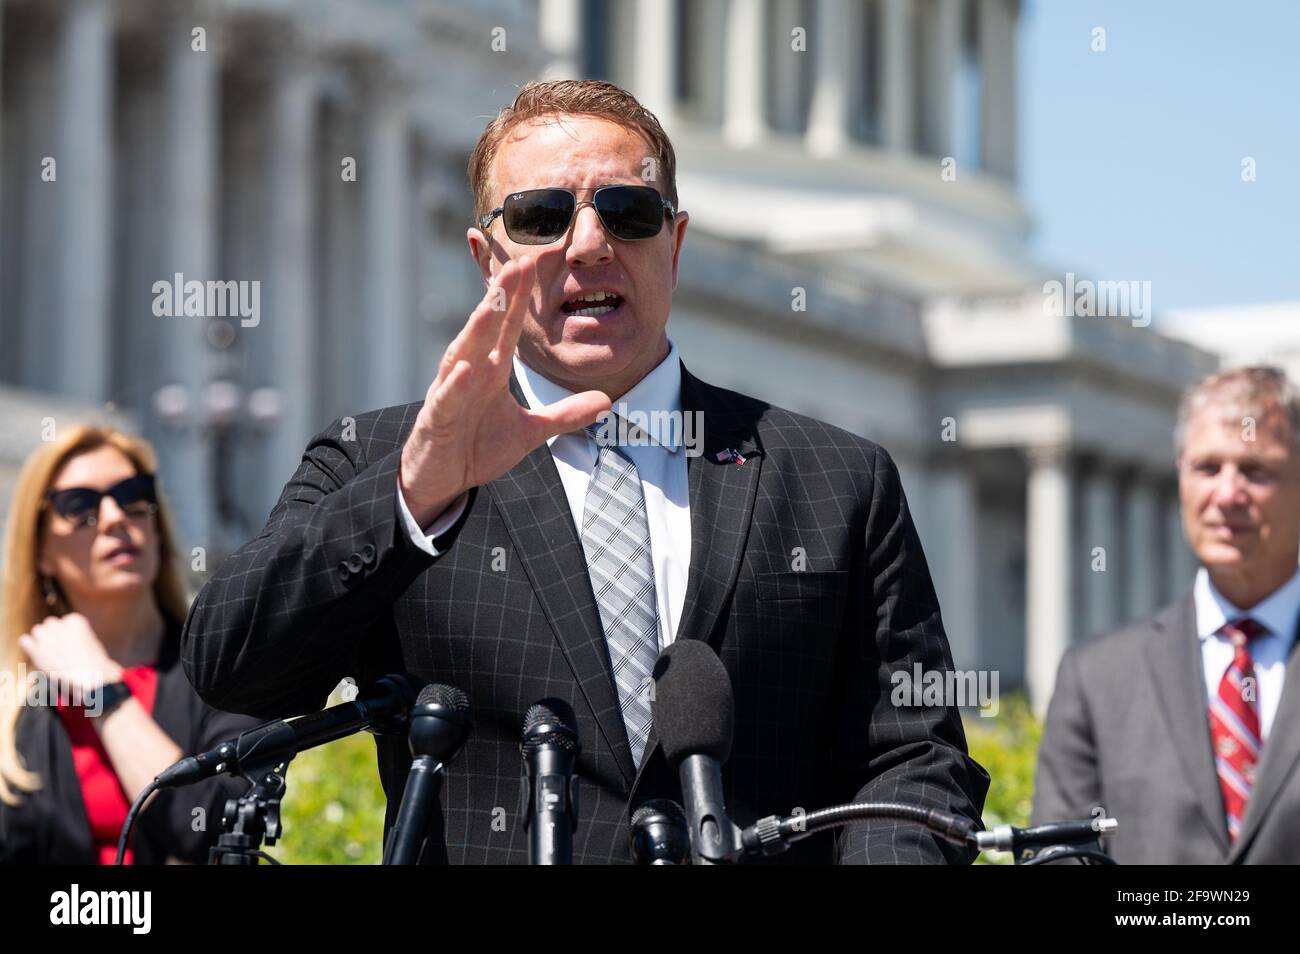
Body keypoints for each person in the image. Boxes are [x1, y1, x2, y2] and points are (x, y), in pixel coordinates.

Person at [182, 78, 988, 864]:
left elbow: (914, 761)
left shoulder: (835, 478)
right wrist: (414, 493)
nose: (590, 244)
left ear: (673, 244)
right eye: (542, 217)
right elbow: (233, 670)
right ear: (485, 255)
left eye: (628, 213)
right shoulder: (384, 459)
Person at [1033, 366, 1300, 863]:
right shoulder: (1096, 678)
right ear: (1180, 475)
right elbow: (1061, 857)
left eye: (1255, 470)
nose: (1227, 494)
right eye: (1207, 468)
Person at [0, 424, 259, 864]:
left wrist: (104, 689)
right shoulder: (13, 699)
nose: (115, 518)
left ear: (156, 525)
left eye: (132, 495)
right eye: (79, 505)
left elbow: (215, 828)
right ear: (40, 549)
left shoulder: (224, 668)